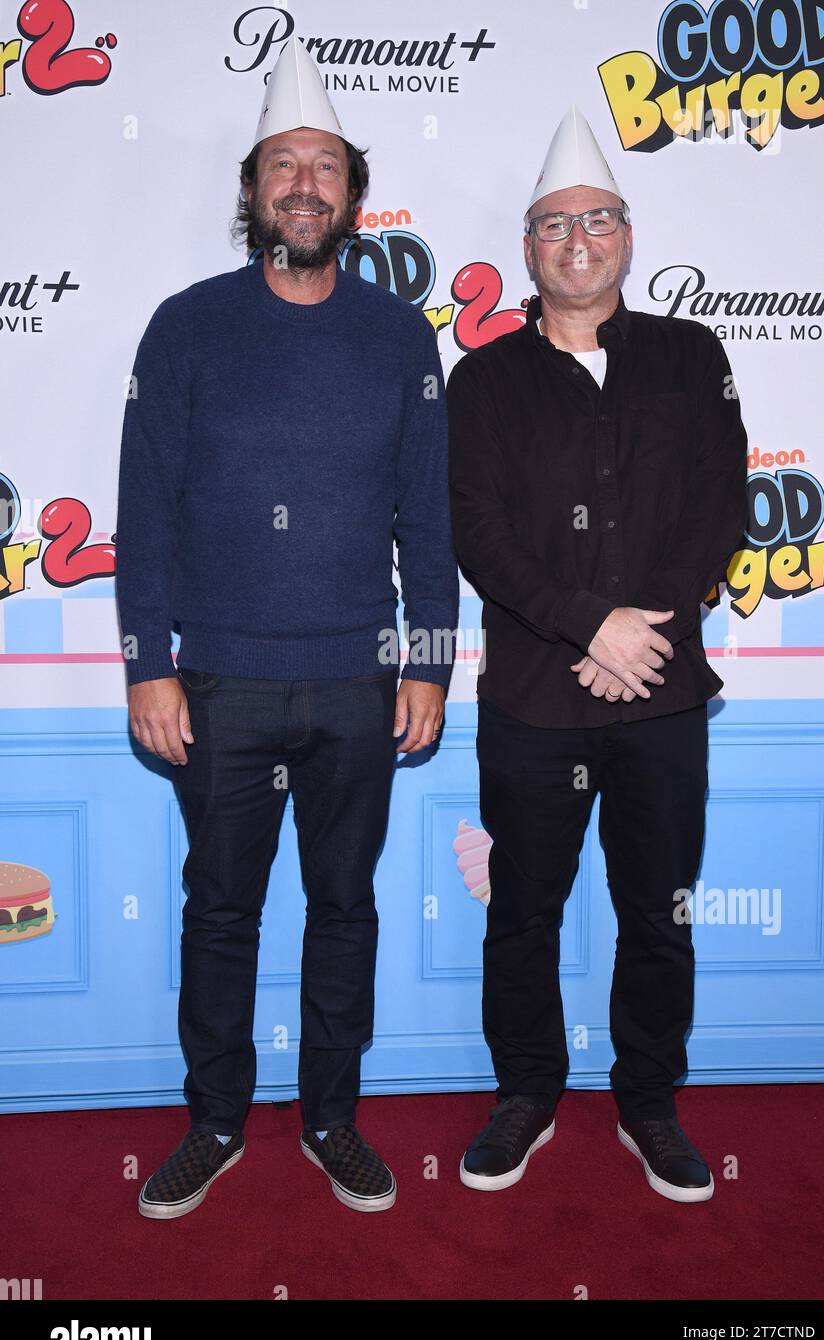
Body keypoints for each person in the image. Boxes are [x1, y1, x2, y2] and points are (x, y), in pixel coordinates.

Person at [116, 38, 459, 1218]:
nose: (302, 183)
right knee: (220, 909)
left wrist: (429, 662)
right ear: (253, 192)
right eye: (282, 165)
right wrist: (147, 666)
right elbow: (144, 509)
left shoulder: (400, 338)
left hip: (362, 685)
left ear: (352, 197)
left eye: (323, 166)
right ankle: (214, 1120)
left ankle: (330, 1118)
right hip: (217, 683)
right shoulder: (185, 327)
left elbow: (430, 512)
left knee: (345, 907)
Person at [447, 105, 748, 1202]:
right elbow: (476, 531)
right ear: (528, 249)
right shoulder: (480, 379)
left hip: (661, 694)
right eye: (554, 226)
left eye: (598, 221)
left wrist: (635, 631)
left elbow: (722, 503)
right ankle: (525, 1092)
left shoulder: (689, 354)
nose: (578, 241)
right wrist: (585, 626)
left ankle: (649, 1102)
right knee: (522, 910)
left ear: (627, 233)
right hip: (534, 696)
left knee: (656, 911)